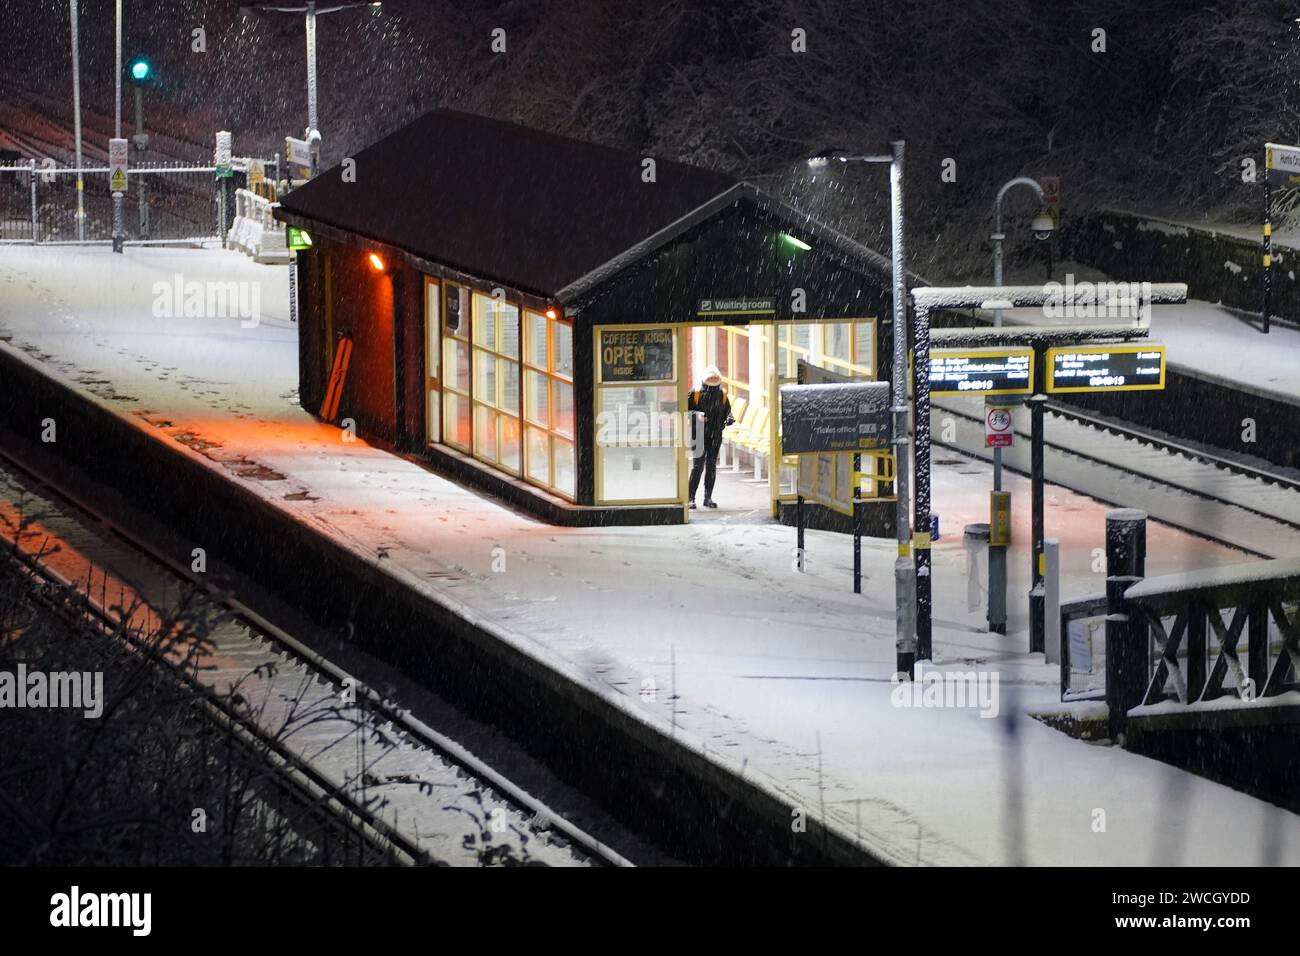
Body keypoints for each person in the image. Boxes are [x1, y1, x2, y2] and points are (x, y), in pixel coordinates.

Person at [687, 365, 733, 509]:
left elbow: (728, 412)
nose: (712, 380)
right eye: (710, 377)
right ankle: (690, 498)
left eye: (715, 377)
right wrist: (696, 415)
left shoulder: (722, 395)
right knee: (698, 466)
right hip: (698, 435)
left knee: (711, 466)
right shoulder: (695, 393)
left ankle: (708, 497)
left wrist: (730, 418)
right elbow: (684, 411)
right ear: (704, 378)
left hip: (715, 435)